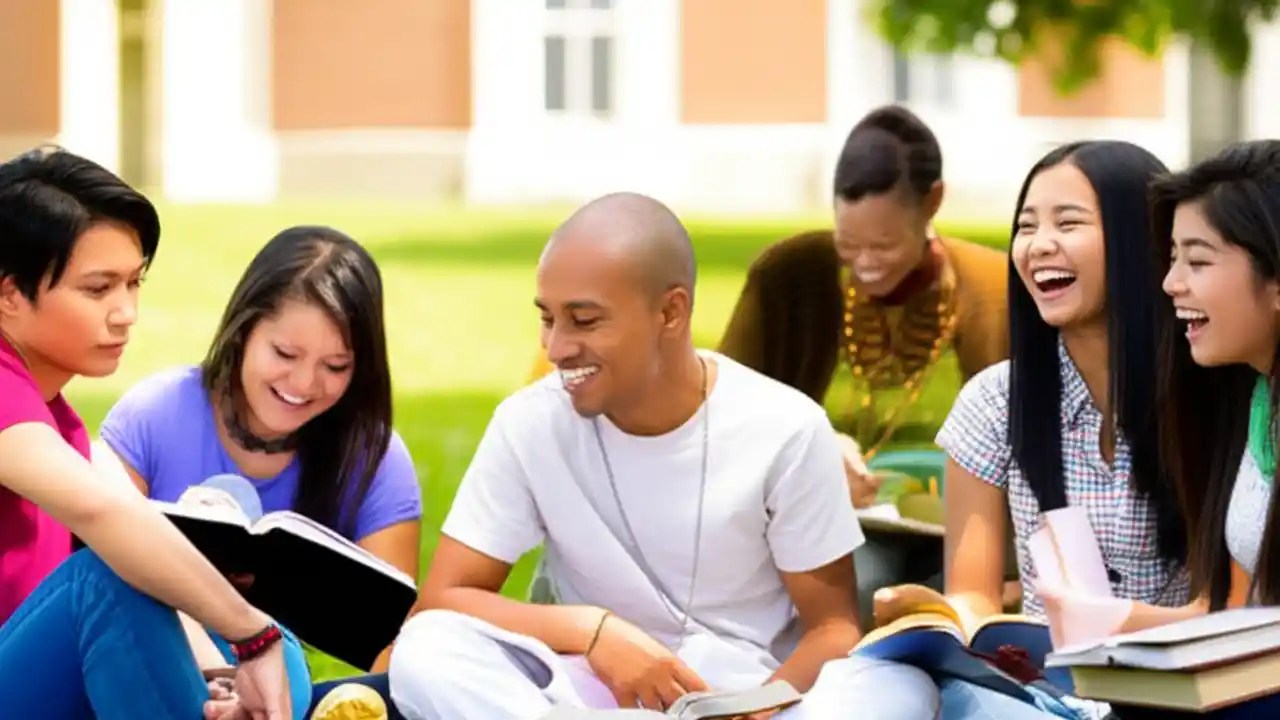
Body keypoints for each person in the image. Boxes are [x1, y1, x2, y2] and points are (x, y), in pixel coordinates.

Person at [385, 192, 940, 719]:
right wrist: (593, 630)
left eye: (584, 320)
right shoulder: (528, 423)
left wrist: (751, 709)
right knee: (426, 650)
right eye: (548, 318)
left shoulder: (785, 428)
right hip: (585, 691)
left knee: (896, 690)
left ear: (671, 313)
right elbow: (445, 600)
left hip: (747, 696)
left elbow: (833, 630)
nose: (555, 348)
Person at [863, 140, 1192, 718]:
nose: (1039, 246)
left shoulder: (1215, 395)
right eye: (1026, 226)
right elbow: (976, 595)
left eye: (1069, 223)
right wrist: (934, 614)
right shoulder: (994, 403)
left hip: (1184, 689)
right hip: (1045, 697)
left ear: (1146, 241)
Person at [0, 146, 292, 719]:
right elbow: (105, 515)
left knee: (275, 657)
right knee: (102, 583)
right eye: (98, 289)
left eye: (134, 283)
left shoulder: (52, 408)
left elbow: (138, 534)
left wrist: (221, 665)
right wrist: (251, 637)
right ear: (9, 295)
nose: (126, 311)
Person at [717, 104, 1015, 622]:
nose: (865, 264)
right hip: (829, 532)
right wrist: (813, 445)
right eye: (848, 245)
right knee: (859, 588)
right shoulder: (791, 278)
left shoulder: (995, 292)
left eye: (883, 244)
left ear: (933, 203)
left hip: (971, 538)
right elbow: (722, 407)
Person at [97, 225, 423, 679]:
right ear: (243, 330)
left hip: (279, 690)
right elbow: (97, 583)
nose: (304, 384)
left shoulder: (374, 459)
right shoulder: (153, 416)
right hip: (146, 666)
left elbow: (389, 645)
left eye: (335, 366)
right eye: (285, 353)